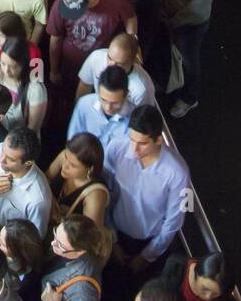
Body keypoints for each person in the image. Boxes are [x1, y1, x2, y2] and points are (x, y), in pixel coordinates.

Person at [104, 106, 191, 278]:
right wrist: (111, 238)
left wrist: (145, 257)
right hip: (114, 232)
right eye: (131, 139)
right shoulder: (116, 147)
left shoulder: (178, 173)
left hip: (148, 243)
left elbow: (174, 222)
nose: (134, 149)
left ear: (159, 140)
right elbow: (104, 192)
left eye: (142, 143)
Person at [156, 0, 222, 117]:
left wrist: (173, 22)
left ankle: (190, 98)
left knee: (188, 60)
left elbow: (199, 5)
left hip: (190, 24)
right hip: (166, 12)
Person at [46, 0, 137, 98]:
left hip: (101, 67)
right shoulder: (60, 4)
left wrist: (132, 40)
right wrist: (54, 70)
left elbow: (130, 17)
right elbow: (55, 39)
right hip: (70, 65)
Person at [0, 129, 55, 239]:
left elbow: (34, 239)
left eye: (10, 159)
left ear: (28, 163)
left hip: (3, 241)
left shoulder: (37, 199)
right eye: (3, 151)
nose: (2, 159)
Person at [39, 216, 112, 301]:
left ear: (80, 251)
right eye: (55, 234)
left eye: (60, 245)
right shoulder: (74, 238)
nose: (53, 243)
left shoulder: (83, 290)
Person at [45, 131, 110, 228]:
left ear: (89, 169)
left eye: (73, 165)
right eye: (66, 157)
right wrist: (49, 197)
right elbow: (46, 178)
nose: (64, 166)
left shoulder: (95, 194)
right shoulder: (68, 156)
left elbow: (91, 234)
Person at [75, 32, 157, 108]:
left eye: (119, 63)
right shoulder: (96, 58)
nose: (110, 66)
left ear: (132, 61)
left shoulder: (142, 90)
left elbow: (143, 118)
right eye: (109, 58)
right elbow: (84, 87)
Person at [67, 65, 133, 151]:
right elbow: (72, 142)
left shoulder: (134, 117)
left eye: (115, 103)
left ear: (126, 96)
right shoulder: (84, 105)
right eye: (103, 100)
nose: (108, 107)